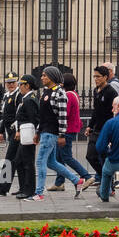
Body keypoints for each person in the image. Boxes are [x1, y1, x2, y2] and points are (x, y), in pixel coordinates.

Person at [33, 66, 85, 200]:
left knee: (40, 161)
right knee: (51, 162)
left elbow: (62, 116)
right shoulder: (46, 92)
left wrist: (62, 135)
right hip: (45, 131)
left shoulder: (59, 93)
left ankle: (39, 193)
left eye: (45, 75)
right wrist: (38, 132)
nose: (42, 78)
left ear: (52, 77)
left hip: (51, 132)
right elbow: (42, 116)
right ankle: (77, 181)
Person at [51, 73, 94, 191]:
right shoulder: (74, 94)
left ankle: (86, 176)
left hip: (67, 130)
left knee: (66, 157)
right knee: (59, 157)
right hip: (71, 128)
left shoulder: (68, 95)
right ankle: (59, 182)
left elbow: (65, 113)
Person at [0, 72, 23, 196]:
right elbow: (4, 116)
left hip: (16, 132)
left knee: (9, 159)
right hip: (10, 131)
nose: (11, 85)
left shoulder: (19, 95)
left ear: (17, 83)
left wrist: (18, 130)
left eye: (13, 82)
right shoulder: (6, 95)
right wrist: (1, 131)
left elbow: (19, 115)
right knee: (18, 161)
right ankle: (23, 188)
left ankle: (2, 188)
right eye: (8, 83)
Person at [84, 65, 116, 183]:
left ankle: (107, 183)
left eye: (98, 77)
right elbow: (95, 111)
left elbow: (114, 112)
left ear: (105, 77)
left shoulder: (111, 92)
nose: (96, 79)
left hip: (106, 129)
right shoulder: (95, 91)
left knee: (103, 155)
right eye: (94, 76)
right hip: (96, 129)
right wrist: (90, 126)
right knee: (90, 156)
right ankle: (105, 177)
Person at [11, 74, 40, 200]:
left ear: (27, 86)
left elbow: (34, 119)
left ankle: (29, 190)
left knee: (27, 163)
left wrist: (36, 134)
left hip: (28, 134)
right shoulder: (27, 98)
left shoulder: (29, 100)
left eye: (21, 85)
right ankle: (23, 188)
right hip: (24, 134)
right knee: (19, 161)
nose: (19, 87)